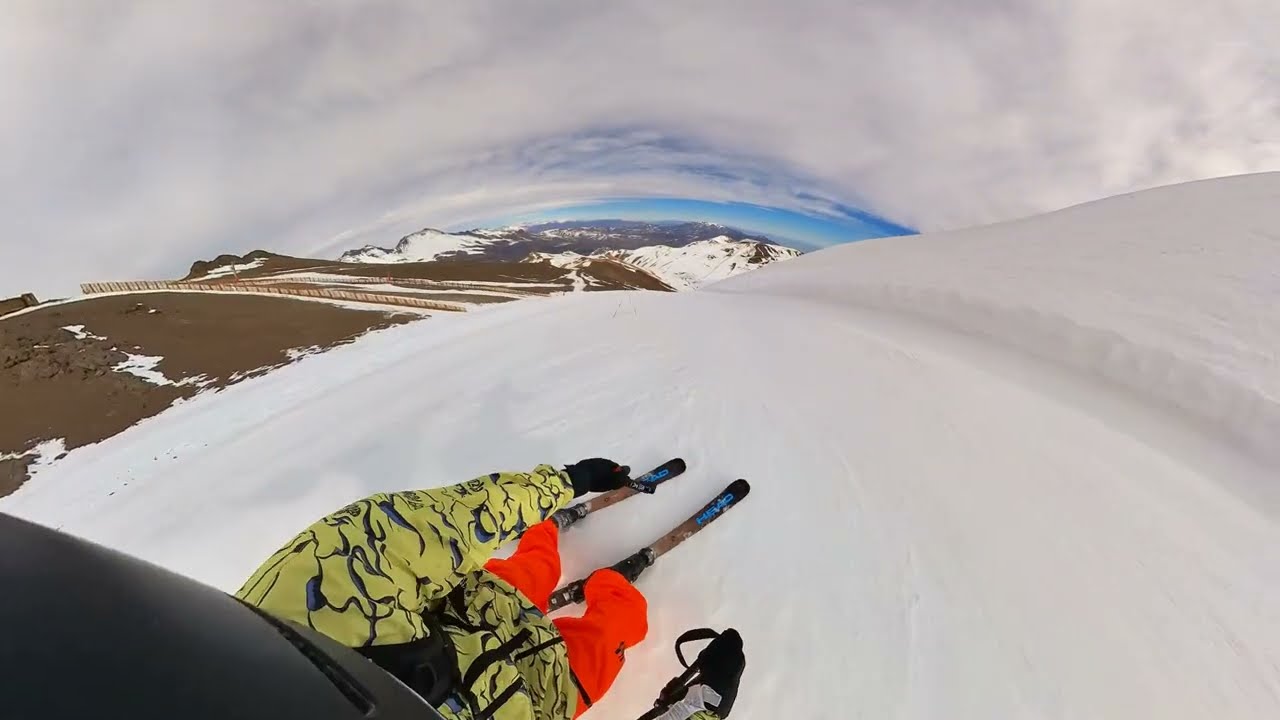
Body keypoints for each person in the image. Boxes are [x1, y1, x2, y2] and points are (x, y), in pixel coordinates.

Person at [236, 458, 743, 720]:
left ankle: (549, 531)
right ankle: (607, 582)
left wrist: (560, 484)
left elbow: (418, 529)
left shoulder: (291, 617)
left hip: (467, 612)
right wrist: (703, 706)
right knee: (621, 621)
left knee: (534, 565)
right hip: (543, 693)